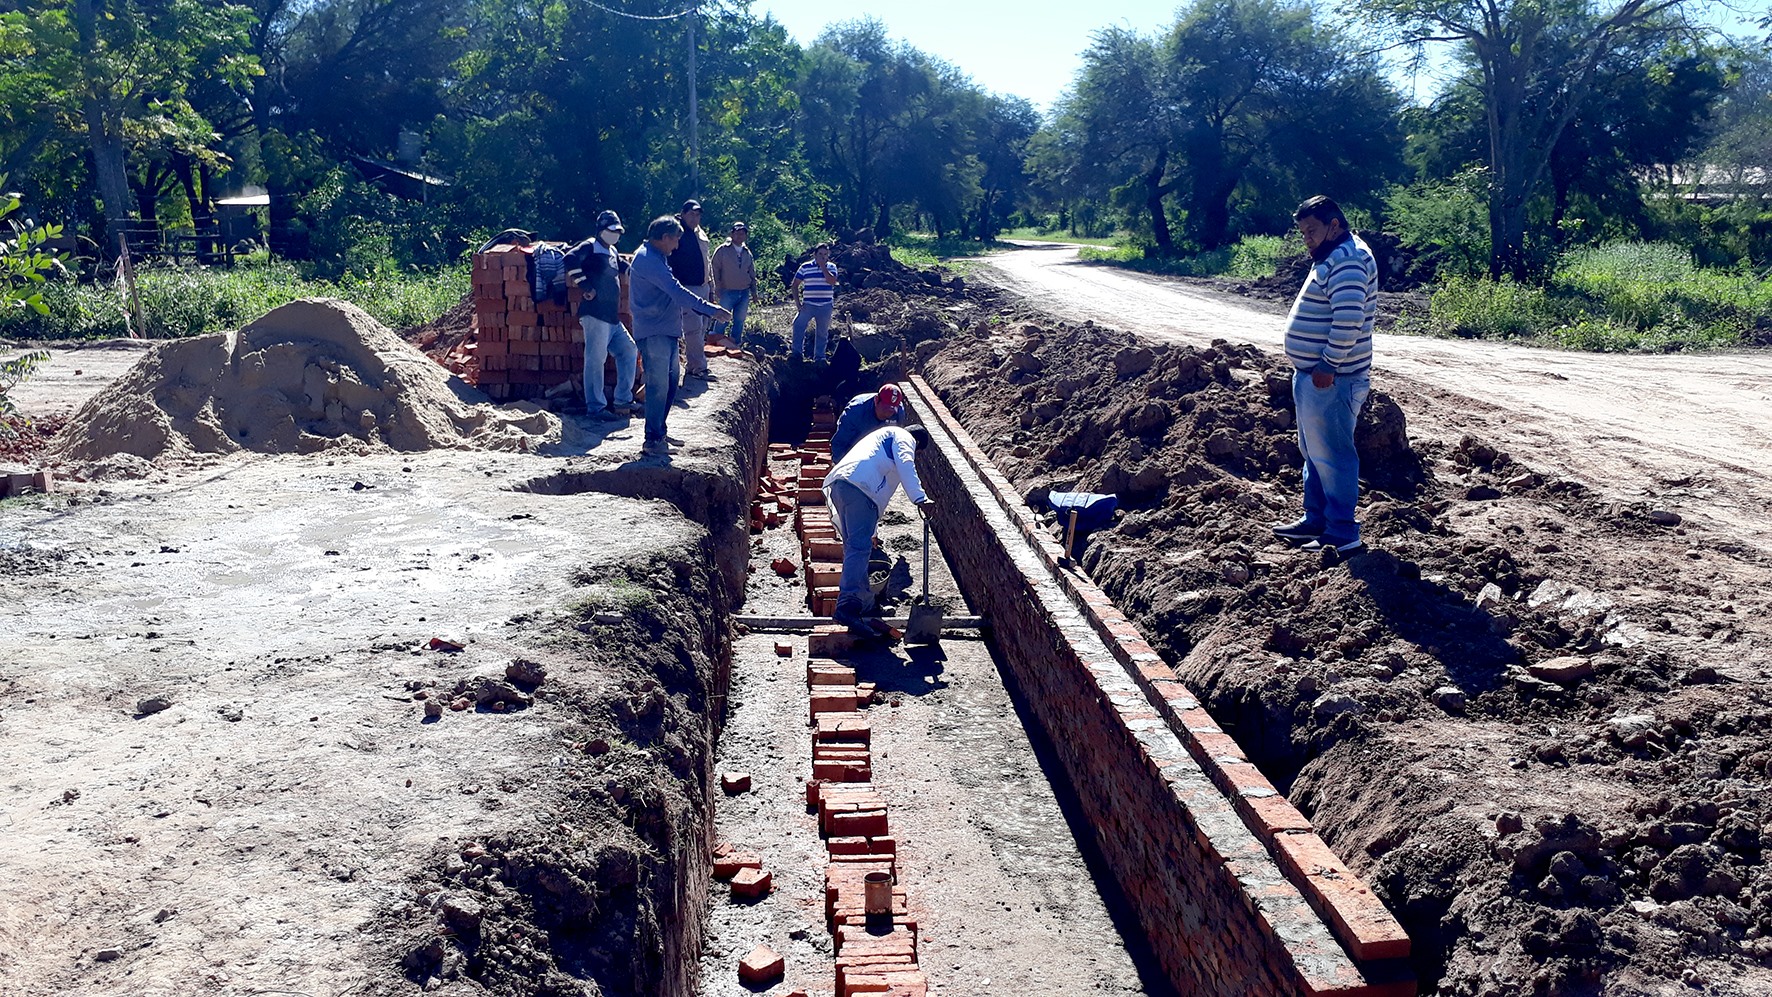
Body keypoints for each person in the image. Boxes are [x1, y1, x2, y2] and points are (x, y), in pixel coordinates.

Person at [1271, 195, 1377, 555]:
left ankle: (1342, 531)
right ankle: (1315, 519)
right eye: (1303, 232)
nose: (1307, 239)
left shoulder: (1348, 261)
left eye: (1312, 231)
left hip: (1333, 378)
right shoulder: (1333, 254)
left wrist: (1328, 364)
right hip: (1317, 375)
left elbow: (1349, 321)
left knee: (1333, 453)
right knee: (1314, 451)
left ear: (1334, 225)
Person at [630, 215, 732, 457]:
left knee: (671, 380)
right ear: (664, 238)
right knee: (658, 385)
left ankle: (659, 431)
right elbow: (677, 291)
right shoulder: (648, 260)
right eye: (675, 240)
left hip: (666, 330)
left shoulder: (658, 257)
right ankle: (652, 439)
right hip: (653, 331)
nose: (677, 246)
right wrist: (711, 309)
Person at [822, 424, 934, 634]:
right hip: (860, 489)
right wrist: (920, 498)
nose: (914, 455)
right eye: (918, 453)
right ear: (916, 443)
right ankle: (847, 607)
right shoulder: (903, 437)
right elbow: (907, 463)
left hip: (842, 485)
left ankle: (865, 603)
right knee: (858, 550)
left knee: (855, 549)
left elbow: (879, 484)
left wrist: (873, 532)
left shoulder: (883, 438)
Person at [563, 210, 638, 420]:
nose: (616, 235)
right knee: (595, 360)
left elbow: (625, 267)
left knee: (628, 350)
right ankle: (595, 408)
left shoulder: (612, 251)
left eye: (618, 231)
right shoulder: (590, 246)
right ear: (601, 230)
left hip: (611, 317)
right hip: (595, 314)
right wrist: (585, 285)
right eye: (612, 230)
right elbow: (569, 259)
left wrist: (638, 273)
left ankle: (623, 400)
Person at [668, 199, 717, 380]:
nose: (695, 218)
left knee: (702, 326)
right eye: (691, 214)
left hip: (703, 286)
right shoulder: (676, 233)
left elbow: (707, 261)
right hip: (686, 288)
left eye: (697, 215)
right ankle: (698, 367)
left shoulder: (700, 234)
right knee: (693, 328)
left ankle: (693, 364)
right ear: (683, 214)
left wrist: (711, 287)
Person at [829, 383, 906, 464]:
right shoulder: (855, 412)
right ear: (876, 400)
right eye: (885, 408)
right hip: (854, 452)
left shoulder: (899, 412)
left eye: (892, 409)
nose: (888, 413)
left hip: (879, 455)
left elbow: (896, 441)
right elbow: (839, 443)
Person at [710, 221, 757, 345]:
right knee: (722, 318)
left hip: (744, 292)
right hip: (727, 290)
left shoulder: (747, 252)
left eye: (742, 234)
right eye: (737, 233)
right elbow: (714, 268)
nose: (739, 236)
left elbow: (752, 273)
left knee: (739, 320)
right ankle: (715, 342)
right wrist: (717, 287)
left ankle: (735, 344)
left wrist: (754, 292)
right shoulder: (722, 250)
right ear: (732, 234)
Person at [790, 242, 839, 361]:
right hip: (808, 305)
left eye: (825, 254)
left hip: (825, 305)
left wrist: (823, 267)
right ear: (815, 254)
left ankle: (819, 357)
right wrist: (798, 303)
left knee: (822, 332)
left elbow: (832, 281)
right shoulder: (805, 267)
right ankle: (797, 354)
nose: (823, 256)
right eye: (820, 254)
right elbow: (795, 285)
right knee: (798, 325)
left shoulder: (831, 267)